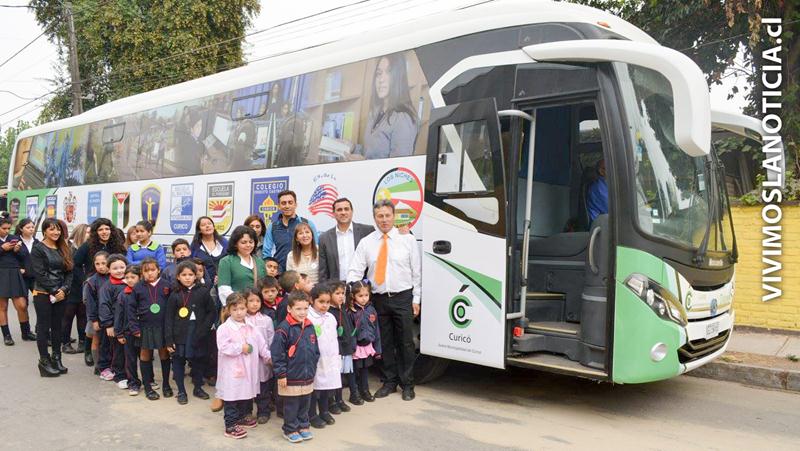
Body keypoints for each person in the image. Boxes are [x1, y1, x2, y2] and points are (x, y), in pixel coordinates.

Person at [347, 200, 420, 401]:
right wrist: (354, 291)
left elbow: (417, 272)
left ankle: (407, 384)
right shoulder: (367, 242)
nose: (384, 220)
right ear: (375, 218)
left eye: (388, 215)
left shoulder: (408, 240)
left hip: (403, 297)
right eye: (380, 216)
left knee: (405, 342)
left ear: (394, 216)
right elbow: (355, 269)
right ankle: (389, 381)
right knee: (384, 342)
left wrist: (417, 299)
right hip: (378, 299)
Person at [216, 293, 270, 439]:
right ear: (228, 310)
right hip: (233, 370)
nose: (239, 312)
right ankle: (230, 425)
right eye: (235, 310)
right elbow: (223, 347)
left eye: (242, 308)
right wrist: (241, 347)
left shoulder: (251, 326)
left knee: (245, 395)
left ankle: (241, 417)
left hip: (249, 369)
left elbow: (261, 343)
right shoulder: (224, 328)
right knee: (232, 396)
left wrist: (267, 356)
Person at [73, 218, 126, 364]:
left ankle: (110, 357)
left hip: (113, 286)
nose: (104, 232)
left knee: (111, 321)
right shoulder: (88, 246)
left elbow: (124, 263)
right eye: (101, 229)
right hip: (95, 285)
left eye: (107, 229)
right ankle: (88, 350)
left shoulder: (118, 245)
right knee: (94, 325)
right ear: (96, 232)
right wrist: (86, 278)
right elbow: (75, 263)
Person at [271, 291, 320, 443]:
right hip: (290, 375)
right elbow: (277, 354)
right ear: (289, 309)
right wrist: (281, 374)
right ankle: (290, 429)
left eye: (306, 308)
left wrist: (313, 366)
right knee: (292, 404)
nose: (302, 312)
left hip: (307, 374)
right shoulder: (283, 329)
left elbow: (315, 350)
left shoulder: (310, 326)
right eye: (298, 309)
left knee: (305, 402)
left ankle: (303, 425)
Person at [165, 261, 216, 404]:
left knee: (199, 360)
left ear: (196, 276)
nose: (187, 278)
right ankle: (181, 391)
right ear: (178, 277)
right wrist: (169, 339)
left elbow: (211, 312)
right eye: (184, 275)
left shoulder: (203, 292)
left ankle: (198, 387)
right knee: (178, 361)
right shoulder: (175, 294)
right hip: (180, 333)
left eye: (190, 274)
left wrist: (204, 330)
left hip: (198, 332)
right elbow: (168, 318)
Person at [30, 218, 74, 377]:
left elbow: (69, 271)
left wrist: (64, 289)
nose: (56, 232)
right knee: (43, 327)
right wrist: (55, 290)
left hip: (61, 293)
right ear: (45, 231)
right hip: (43, 293)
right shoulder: (38, 249)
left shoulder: (64, 247)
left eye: (58, 230)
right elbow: (39, 274)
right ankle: (44, 361)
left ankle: (57, 358)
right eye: (51, 229)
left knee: (57, 327)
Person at [361, 53, 418, 159]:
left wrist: (364, 162)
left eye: (388, 72)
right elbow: (371, 152)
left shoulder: (403, 118)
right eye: (378, 73)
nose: (381, 80)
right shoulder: (376, 112)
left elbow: (397, 171)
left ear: (398, 78)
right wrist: (352, 148)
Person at [130, 257, 172, 400]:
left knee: (164, 354)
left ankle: (166, 385)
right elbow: (131, 309)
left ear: (158, 270)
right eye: (146, 271)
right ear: (141, 273)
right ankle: (148, 387)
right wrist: (135, 328)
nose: (150, 274)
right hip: (144, 327)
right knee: (144, 354)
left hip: (162, 327)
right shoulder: (138, 287)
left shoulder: (167, 285)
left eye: (152, 270)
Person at [307, 283, 341, 429]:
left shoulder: (331, 317)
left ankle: (324, 411)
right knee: (314, 388)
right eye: (321, 302)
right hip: (315, 359)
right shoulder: (308, 317)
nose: (325, 305)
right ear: (311, 300)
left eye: (327, 302)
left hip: (330, 358)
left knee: (327, 386)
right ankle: (311, 414)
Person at [317, 198, 374, 283]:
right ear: (333, 214)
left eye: (346, 209)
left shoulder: (367, 231)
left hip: (362, 288)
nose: (343, 212)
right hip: (336, 289)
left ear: (352, 211)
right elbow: (323, 272)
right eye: (339, 210)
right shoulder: (324, 238)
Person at [261, 190, 319, 273]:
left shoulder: (307, 224)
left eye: (290, 202)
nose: (287, 206)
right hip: (279, 274)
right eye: (283, 203)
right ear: (279, 206)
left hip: (302, 273)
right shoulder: (272, 226)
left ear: (295, 204)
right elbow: (266, 253)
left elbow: (315, 247)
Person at [0, 217, 34, 345]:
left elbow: (23, 256)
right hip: (1, 272)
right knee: (2, 306)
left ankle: (26, 332)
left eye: (9, 228)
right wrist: (3, 248)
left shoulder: (14, 238)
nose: (7, 231)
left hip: (14, 271)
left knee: (22, 305)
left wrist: (16, 250)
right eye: (4, 228)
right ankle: (6, 335)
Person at [243, 288, 275, 424]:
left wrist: (269, 356)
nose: (255, 304)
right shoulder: (241, 319)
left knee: (263, 388)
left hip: (263, 360)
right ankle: (246, 412)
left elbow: (271, 338)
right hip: (246, 360)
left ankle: (263, 411)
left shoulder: (266, 320)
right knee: (246, 387)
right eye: (251, 301)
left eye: (257, 301)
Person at [346, 280, 381, 403]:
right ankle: (354, 393)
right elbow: (349, 331)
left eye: (366, 295)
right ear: (353, 296)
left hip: (367, 346)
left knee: (365, 369)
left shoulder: (371, 310)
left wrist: (378, 349)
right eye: (360, 296)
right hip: (356, 347)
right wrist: (352, 346)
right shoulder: (351, 311)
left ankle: (364, 390)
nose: (364, 299)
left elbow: (376, 329)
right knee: (354, 371)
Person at [97, 254, 128, 385]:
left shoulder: (129, 283)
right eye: (115, 268)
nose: (119, 270)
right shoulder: (107, 286)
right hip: (113, 324)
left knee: (124, 349)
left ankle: (124, 370)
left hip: (126, 323)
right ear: (109, 270)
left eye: (122, 267)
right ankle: (115, 372)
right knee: (112, 348)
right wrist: (108, 324)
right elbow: (104, 306)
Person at [217, 226, 267, 304]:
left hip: (257, 309)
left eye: (251, 242)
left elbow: (265, 287)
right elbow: (224, 289)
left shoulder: (260, 262)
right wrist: (240, 304)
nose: (248, 245)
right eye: (243, 242)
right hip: (237, 309)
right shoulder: (226, 261)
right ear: (235, 244)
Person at [62, 223, 90, 353]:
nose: (90, 236)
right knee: (68, 315)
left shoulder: (89, 248)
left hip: (83, 286)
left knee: (82, 314)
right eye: (88, 233)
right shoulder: (68, 247)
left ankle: (82, 342)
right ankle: (65, 343)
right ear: (81, 233)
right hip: (70, 285)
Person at [115, 264, 142, 396]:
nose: (130, 280)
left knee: (144, 358)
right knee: (130, 359)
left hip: (143, 331)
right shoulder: (123, 295)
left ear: (140, 277)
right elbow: (118, 315)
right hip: (128, 332)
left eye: (133, 277)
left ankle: (149, 380)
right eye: (127, 277)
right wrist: (119, 333)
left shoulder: (144, 292)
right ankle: (133, 383)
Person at [327, 280, 353, 412]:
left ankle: (339, 399)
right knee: (333, 376)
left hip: (345, 349)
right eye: (337, 293)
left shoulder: (343, 308)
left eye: (343, 293)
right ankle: (331, 401)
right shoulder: (329, 312)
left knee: (340, 377)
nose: (341, 296)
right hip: (335, 351)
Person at [84, 251, 110, 372]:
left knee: (109, 342)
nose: (101, 266)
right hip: (96, 317)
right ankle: (98, 366)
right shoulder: (91, 281)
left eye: (104, 263)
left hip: (111, 316)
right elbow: (89, 302)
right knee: (96, 339)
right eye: (97, 263)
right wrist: (94, 319)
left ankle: (109, 364)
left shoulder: (114, 277)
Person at [14, 218, 38, 343]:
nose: (31, 229)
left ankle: (40, 328)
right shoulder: (15, 241)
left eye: (33, 227)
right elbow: (9, 258)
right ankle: (26, 332)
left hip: (36, 278)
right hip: (21, 278)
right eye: (28, 227)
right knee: (23, 305)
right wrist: (18, 268)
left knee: (41, 302)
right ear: (21, 228)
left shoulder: (38, 242)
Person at [190, 216, 228, 288]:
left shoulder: (223, 242)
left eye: (209, 224)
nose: (207, 226)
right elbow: (190, 264)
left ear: (213, 227)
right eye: (203, 225)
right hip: (203, 286)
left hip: (223, 283)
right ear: (199, 230)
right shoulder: (195, 245)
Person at [587, 158, 609, 224]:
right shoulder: (598, 188)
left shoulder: (606, 185)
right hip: (599, 225)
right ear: (601, 171)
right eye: (610, 168)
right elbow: (613, 209)